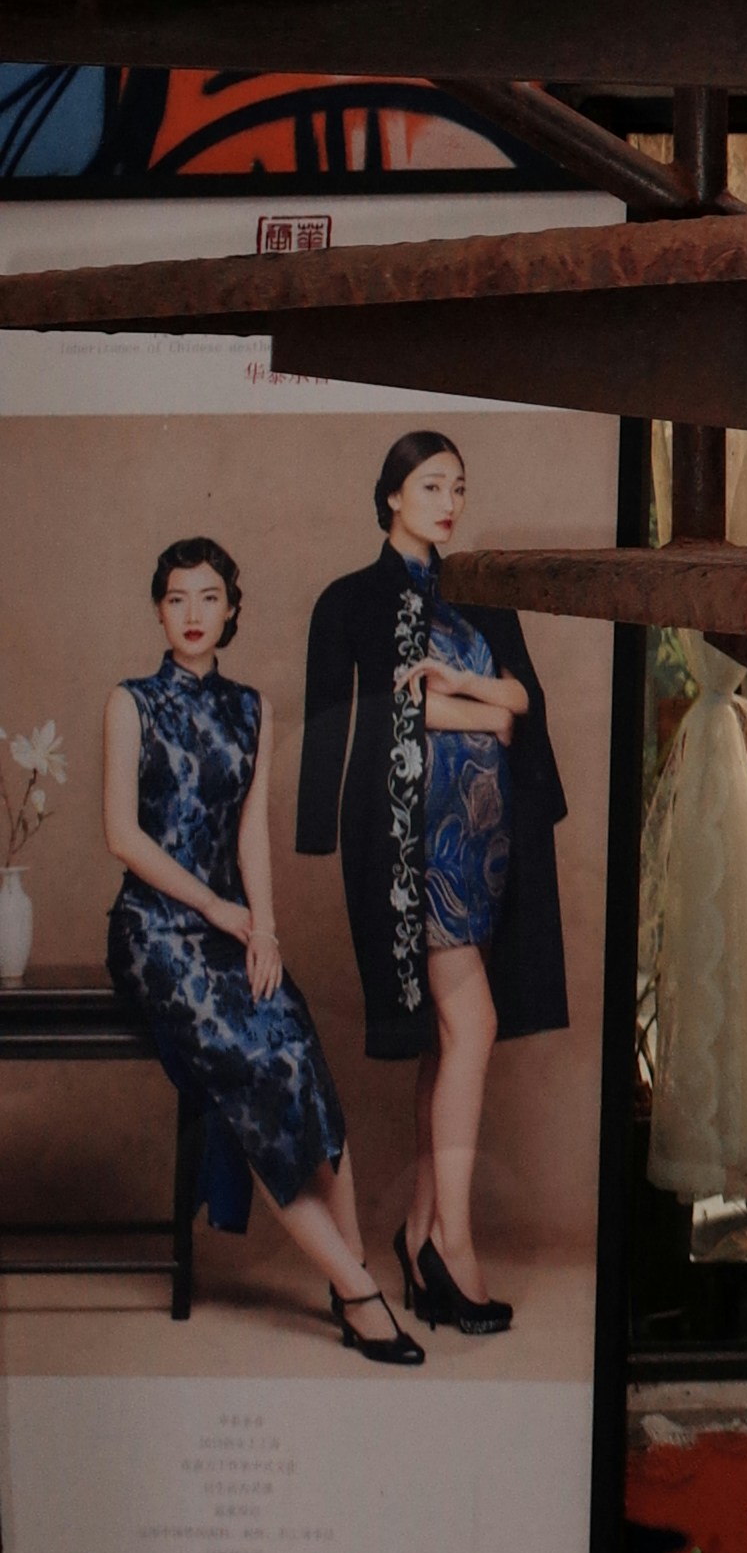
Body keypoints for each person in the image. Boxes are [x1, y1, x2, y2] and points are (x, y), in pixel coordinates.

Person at [103, 536, 418, 1361]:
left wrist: (264, 928)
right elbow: (122, 836)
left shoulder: (252, 708)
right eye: (177, 598)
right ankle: (358, 1290)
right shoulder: (130, 702)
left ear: (232, 608)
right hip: (156, 931)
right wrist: (218, 909)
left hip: (236, 926)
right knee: (253, 1068)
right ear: (158, 610)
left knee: (299, 1052)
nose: (193, 614)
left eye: (209, 597)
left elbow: (251, 832)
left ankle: (348, 1274)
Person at [296, 429, 567, 1340]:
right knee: (472, 1024)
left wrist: (466, 706)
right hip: (413, 849)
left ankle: (417, 1237)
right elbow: (363, 717)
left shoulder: (485, 595)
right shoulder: (352, 600)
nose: (448, 501)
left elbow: (525, 712)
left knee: (446, 1039)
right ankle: (453, 1240)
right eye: (429, 485)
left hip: (488, 846)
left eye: (459, 485)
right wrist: (471, 710)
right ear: (390, 498)